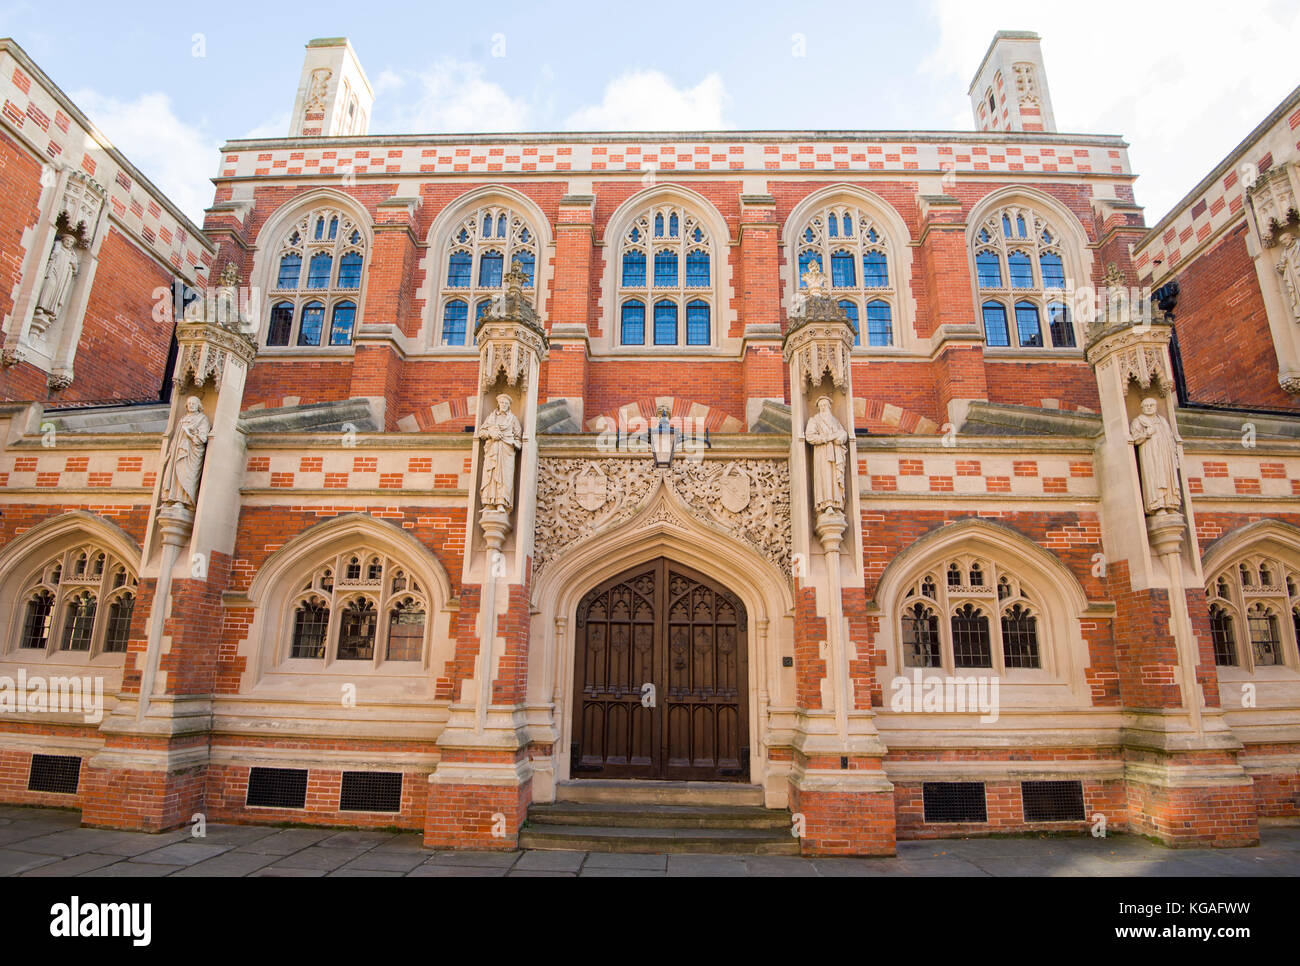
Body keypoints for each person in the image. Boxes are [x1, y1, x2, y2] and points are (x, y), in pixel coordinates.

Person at [1130, 396, 1181, 513]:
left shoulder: (1162, 420)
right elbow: (1135, 439)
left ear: (1156, 407)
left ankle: (1170, 504)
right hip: (1150, 455)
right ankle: (1158, 506)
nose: (1148, 408)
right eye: (1146, 406)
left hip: (1165, 454)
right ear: (1142, 408)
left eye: (1151, 405)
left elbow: (1170, 437)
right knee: (1155, 477)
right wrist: (1147, 433)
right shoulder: (1138, 421)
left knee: (1168, 476)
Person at [160, 396, 211, 508]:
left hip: (191, 453)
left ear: (198, 405)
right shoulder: (183, 419)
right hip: (178, 451)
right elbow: (175, 438)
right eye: (189, 403)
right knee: (175, 474)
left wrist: (190, 434)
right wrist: (169, 453)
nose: (191, 405)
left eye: (194, 403)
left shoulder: (202, 419)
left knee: (186, 475)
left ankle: (182, 500)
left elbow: (203, 438)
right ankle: (171, 498)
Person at [478, 394, 523, 511]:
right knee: (490, 475)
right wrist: (490, 434)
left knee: (505, 476)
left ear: (509, 406)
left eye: (506, 403)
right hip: (492, 450)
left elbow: (518, 437)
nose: (503, 405)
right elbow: (481, 432)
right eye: (502, 403)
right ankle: (488, 503)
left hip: (506, 451)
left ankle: (501, 503)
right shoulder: (491, 417)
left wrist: (514, 443)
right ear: (498, 404)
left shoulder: (513, 419)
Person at [804, 395, 848, 514]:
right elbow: (810, 436)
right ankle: (827, 504)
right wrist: (827, 438)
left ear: (829, 406)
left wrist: (841, 438)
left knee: (835, 478)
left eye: (825, 405)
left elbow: (843, 433)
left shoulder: (835, 421)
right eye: (821, 405)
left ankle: (837, 504)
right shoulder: (814, 420)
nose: (823, 408)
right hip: (822, 454)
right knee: (825, 477)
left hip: (836, 452)